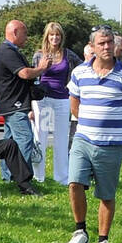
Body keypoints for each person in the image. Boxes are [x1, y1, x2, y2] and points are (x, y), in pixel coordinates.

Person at [64, 28, 122, 243]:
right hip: (83, 140)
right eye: (102, 43)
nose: (106, 47)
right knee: (75, 183)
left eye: (109, 43)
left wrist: (112, 126)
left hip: (111, 145)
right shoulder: (79, 73)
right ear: (93, 46)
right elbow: (74, 106)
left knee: (106, 194)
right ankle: (80, 232)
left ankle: (102, 241)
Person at [0, 19, 44, 193]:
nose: (27, 38)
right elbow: (24, 73)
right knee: (24, 140)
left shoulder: (9, 51)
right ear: (15, 32)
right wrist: (42, 68)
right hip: (15, 104)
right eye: (25, 33)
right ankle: (23, 179)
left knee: (9, 143)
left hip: (10, 103)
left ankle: (8, 177)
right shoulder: (7, 51)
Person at [33, 22, 80, 185]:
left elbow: (82, 68)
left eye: (58, 35)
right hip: (43, 101)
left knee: (61, 138)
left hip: (62, 100)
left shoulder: (68, 54)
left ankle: (62, 177)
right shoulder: (39, 55)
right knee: (41, 137)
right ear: (47, 36)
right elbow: (33, 78)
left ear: (61, 37)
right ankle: (38, 176)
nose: (55, 37)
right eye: (52, 34)